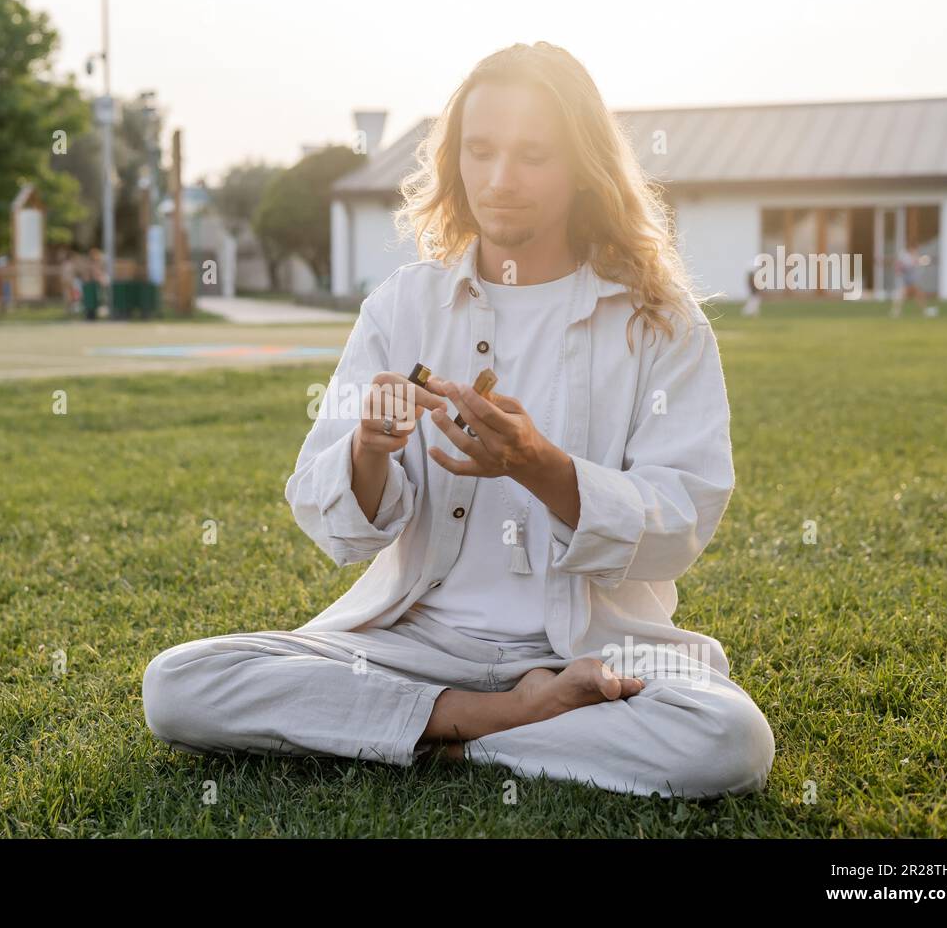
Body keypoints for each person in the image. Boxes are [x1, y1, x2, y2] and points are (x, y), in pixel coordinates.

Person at [142, 43, 775, 799]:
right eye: (480, 151)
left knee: (728, 741)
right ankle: (492, 721)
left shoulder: (660, 322)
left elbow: (681, 523)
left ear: (583, 166)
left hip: (598, 649)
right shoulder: (403, 306)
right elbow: (333, 523)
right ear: (456, 159)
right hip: (415, 641)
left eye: (532, 155)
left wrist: (540, 465)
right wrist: (368, 451)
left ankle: (433, 733)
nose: (500, 180)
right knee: (179, 683)